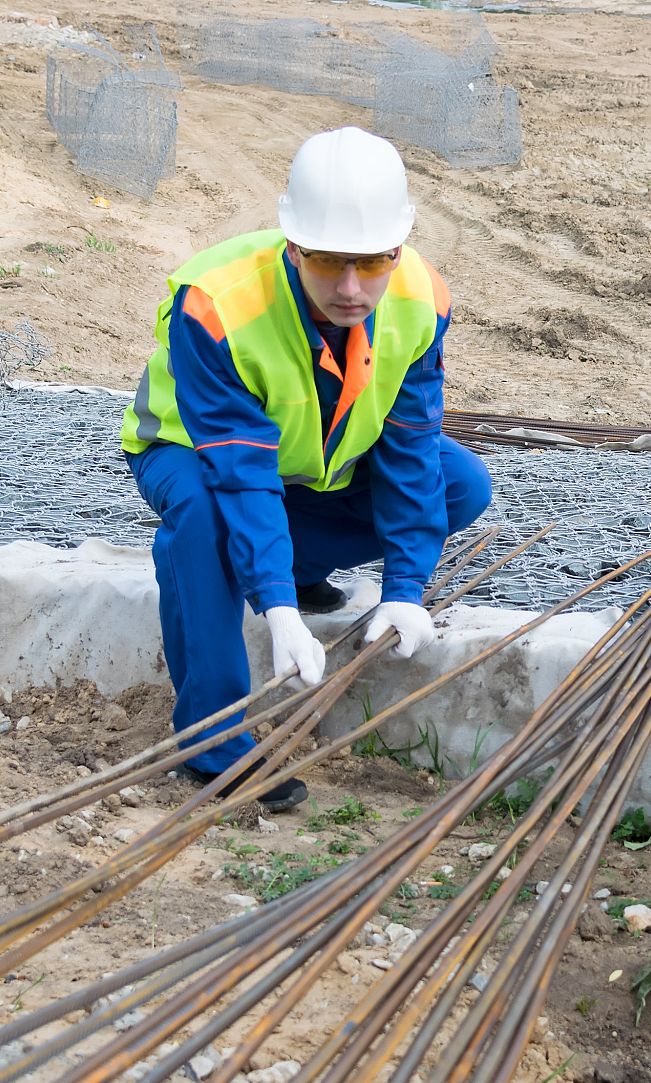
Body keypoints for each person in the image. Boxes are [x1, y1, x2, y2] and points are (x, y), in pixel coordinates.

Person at [121, 126, 493, 813]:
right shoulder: (218, 304)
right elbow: (240, 468)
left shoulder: (419, 297)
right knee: (204, 517)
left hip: (317, 455)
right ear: (291, 245)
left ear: (397, 248)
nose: (352, 288)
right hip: (190, 453)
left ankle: (288, 564)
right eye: (327, 260)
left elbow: (409, 446)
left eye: (373, 261)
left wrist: (406, 587)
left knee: (463, 484)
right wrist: (277, 607)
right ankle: (213, 743)